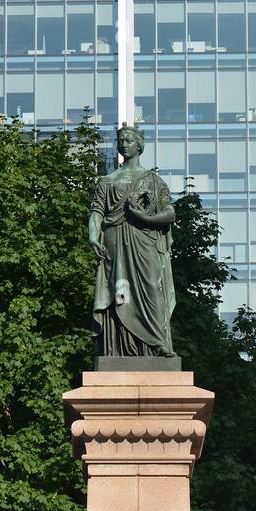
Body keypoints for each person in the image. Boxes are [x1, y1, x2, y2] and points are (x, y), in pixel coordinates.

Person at [89, 124, 176, 358]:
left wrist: (144, 217)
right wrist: (92, 236)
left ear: (139, 145)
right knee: (120, 289)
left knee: (151, 287)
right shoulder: (107, 180)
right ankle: (117, 348)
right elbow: (97, 212)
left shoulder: (154, 181)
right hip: (114, 239)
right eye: (120, 141)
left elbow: (170, 213)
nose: (123, 145)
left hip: (144, 241)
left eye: (128, 141)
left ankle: (157, 342)